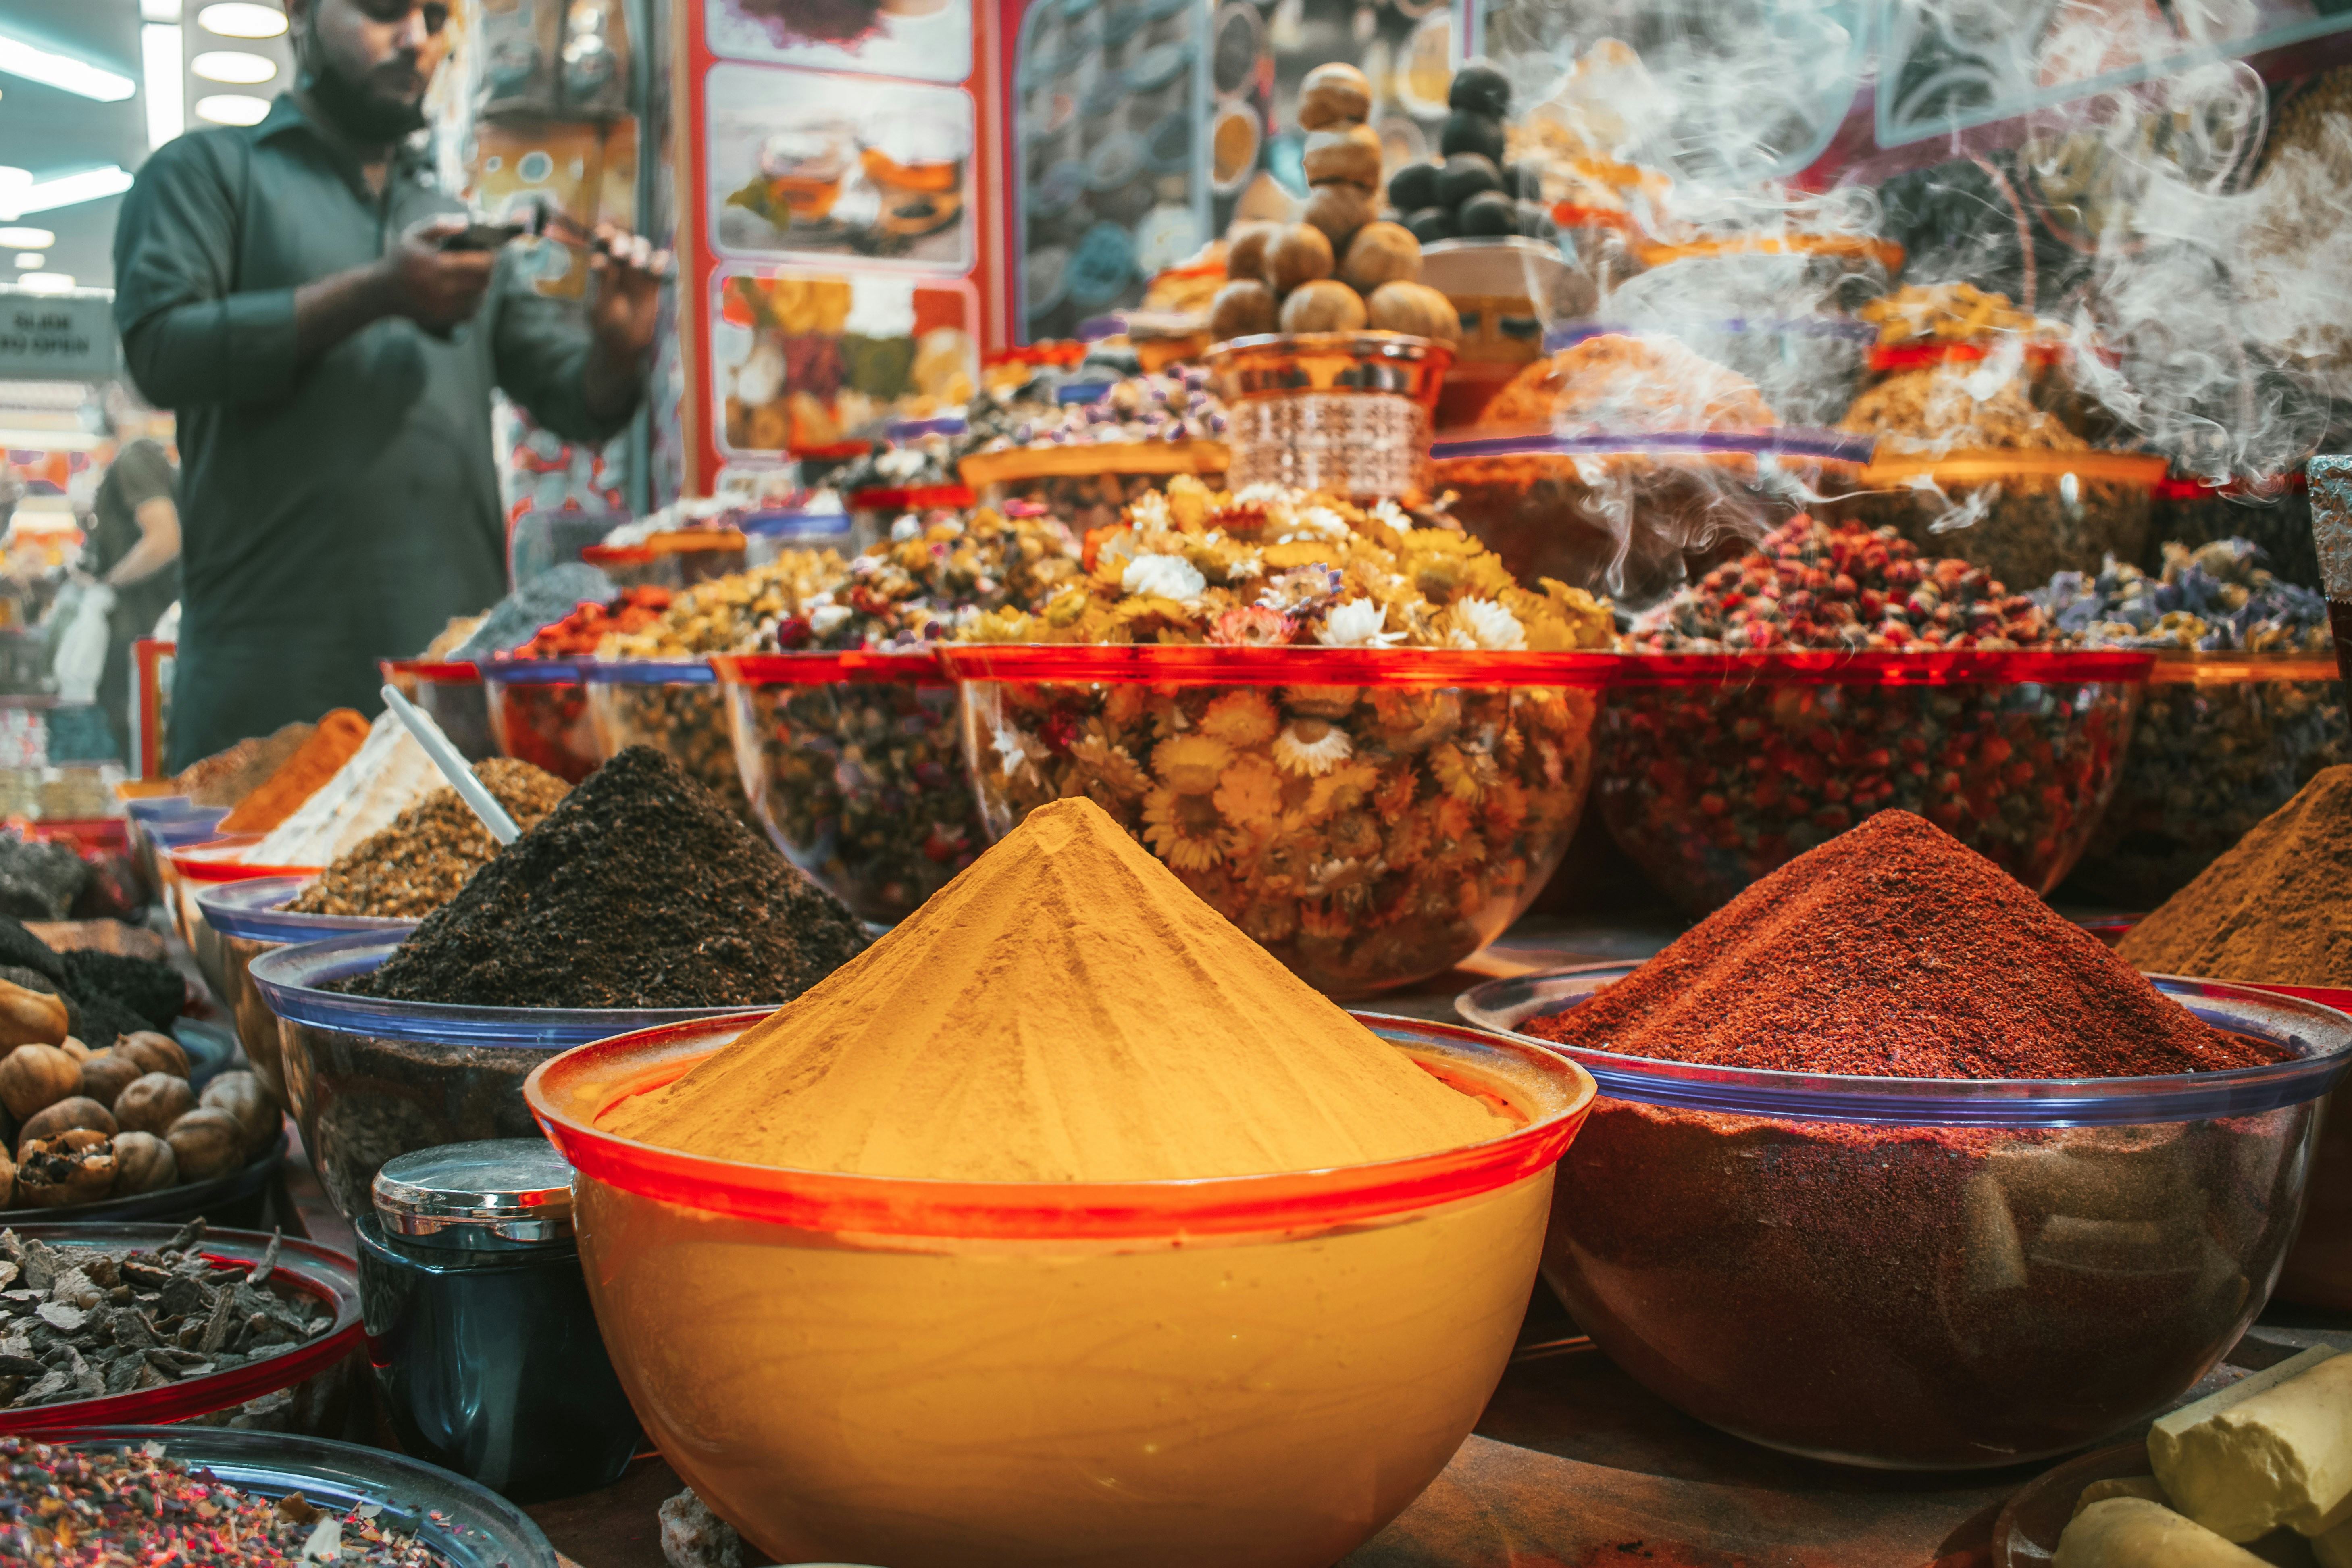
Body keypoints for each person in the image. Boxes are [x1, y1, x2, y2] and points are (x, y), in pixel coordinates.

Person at [110, 0, 666, 768]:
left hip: (447, 695)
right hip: (261, 690)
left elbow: (576, 399)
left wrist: (617, 345)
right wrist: (378, 291)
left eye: (437, 18)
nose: (415, 40)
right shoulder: (206, 175)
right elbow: (162, 351)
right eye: (381, 11)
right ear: (298, 12)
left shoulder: (453, 219)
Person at [82, 427, 182, 760]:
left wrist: (108, 583)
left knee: (147, 763)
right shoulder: (128, 469)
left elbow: (165, 538)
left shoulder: (134, 457)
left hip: (144, 651)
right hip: (146, 652)